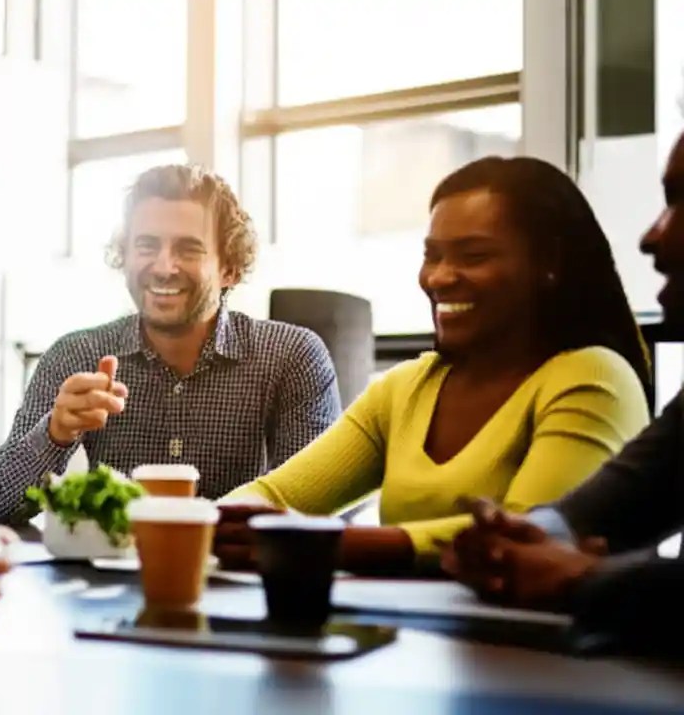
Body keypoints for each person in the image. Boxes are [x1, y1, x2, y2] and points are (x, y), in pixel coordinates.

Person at [217, 156, 652, 574]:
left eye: (474, 256)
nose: (440, 277)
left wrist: (325, 544)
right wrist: (206, 524)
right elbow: (276, 493)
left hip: (542, 646)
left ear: (549, 263)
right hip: (418, 640)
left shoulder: (592, 378)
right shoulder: (405, 388)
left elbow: (529, 533)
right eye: (433, 255)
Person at [0, 164, 342, 525]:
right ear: (123, 256)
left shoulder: (292, 357)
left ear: (229, 269)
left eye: (188, 250)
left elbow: (310, 511)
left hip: (237, 577)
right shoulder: (77, 354)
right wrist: (55, 433)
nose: (163, 266)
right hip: (111, 576)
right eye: (146, 245)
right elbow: (3, 502)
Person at [444, 130, 684, 659]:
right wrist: (519, 538)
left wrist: (587, 576)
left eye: (680, 203)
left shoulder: (592, 374)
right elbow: (617, 502)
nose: (651, 237)